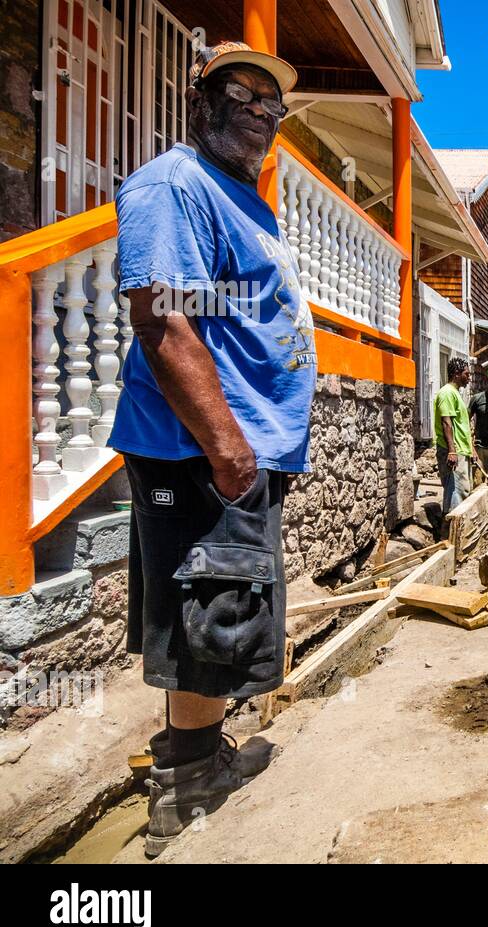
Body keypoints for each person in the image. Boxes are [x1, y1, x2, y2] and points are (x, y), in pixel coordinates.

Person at [107, 41, 310, 857]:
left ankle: (194, 759)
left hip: (236, 447)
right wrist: (228, 447)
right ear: (202, 101)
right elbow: (161, 319)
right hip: (201, 449)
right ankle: (188, 788)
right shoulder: (174, 185)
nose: (261, 110)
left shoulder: (239, 196)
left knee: (219, 608)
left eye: (272, 101)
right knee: (211, 612)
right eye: (243, 93)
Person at [435, 357, 473, 514]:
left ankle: (455, 525)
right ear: (457, 374)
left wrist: (471, 449)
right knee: (455, 494)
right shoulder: (447, 393)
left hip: (461, 449)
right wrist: (452, 451)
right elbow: (446, 423)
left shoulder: (455, 393)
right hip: (453, 450)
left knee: (462, 490)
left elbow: (461, 425)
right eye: (467, 374)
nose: (469, 378)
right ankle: (450, 527)